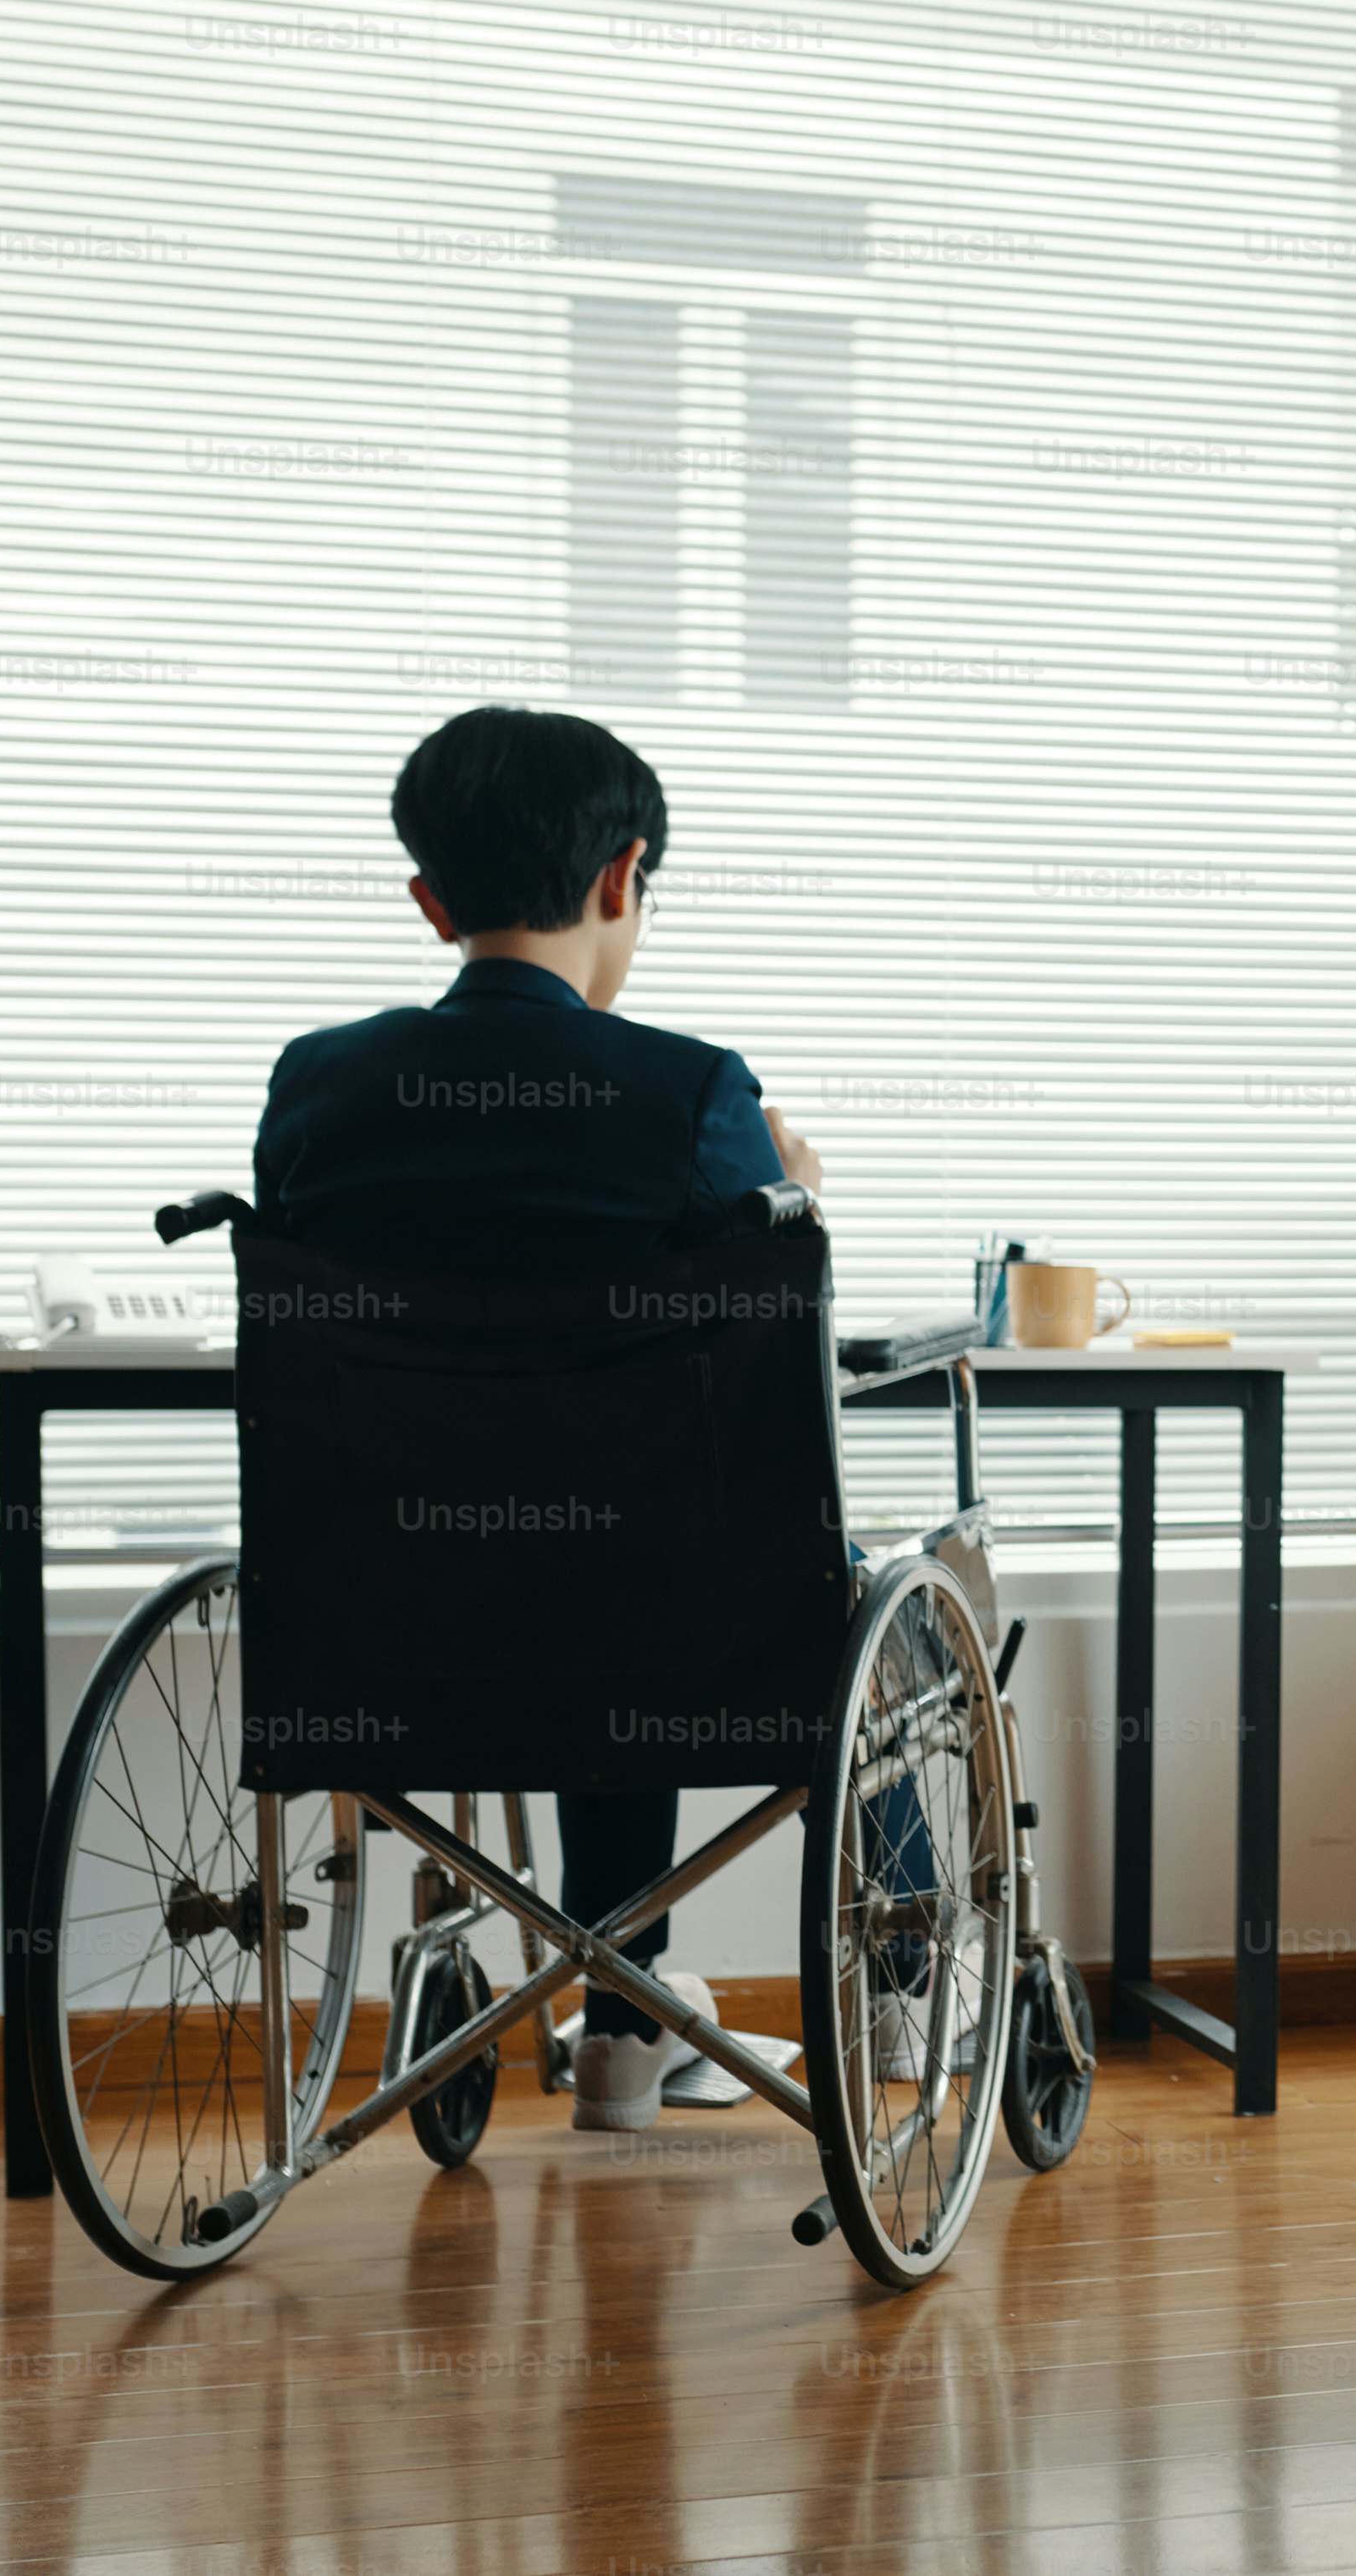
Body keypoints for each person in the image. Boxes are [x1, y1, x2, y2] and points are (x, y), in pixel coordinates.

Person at [255, 705, 824, 2133]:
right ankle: (658, 2016)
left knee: (590, 1562)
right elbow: (760, 1329)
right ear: (624, 876)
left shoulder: (318, 1088)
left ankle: (623, 2003)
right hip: (659, 1628)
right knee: (738, 1567)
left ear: (431, 900)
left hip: (382, 1617)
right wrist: (801, 1194)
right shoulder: (690, 1091)